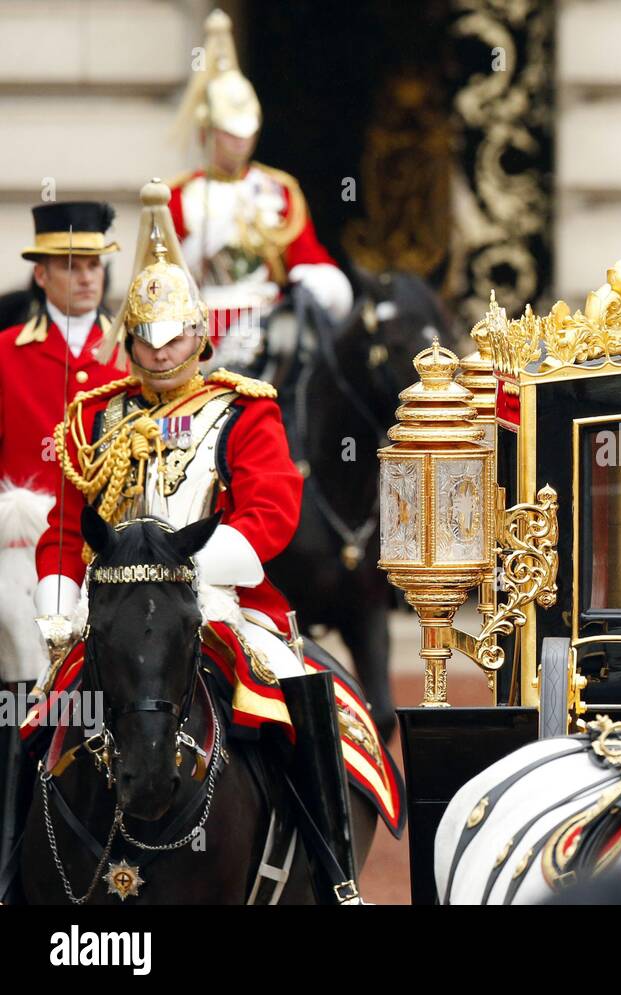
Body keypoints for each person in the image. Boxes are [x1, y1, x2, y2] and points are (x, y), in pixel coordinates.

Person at [32, 179, 372, 902]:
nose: (159, 353)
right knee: (34, 711)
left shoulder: (242, 411)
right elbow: (65, 525)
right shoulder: (95, 415)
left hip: (218, 596)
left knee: (296, 682)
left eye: (174, 336)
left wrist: (185, 571)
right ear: (128, 338)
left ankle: (335, 873)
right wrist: (57, 599)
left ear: (201, 334)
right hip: (113, 605)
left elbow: (272, 512)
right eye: (146, 339)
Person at [168, 8, 352, 359]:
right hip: (202, 328)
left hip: (270, 327)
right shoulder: (179, 196)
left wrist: (318, 283)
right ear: (208, 131)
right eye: (230, 133)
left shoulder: (278, 190)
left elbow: (305, 256)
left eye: (247, 132)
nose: (240, 142)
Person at [0, 203, 124, 495]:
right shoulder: (5, 350)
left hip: (110, 526)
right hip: (25, 528)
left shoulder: (134, 349)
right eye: (70, 266)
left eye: (94, 265)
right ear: (41, 276)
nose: (86, 278)